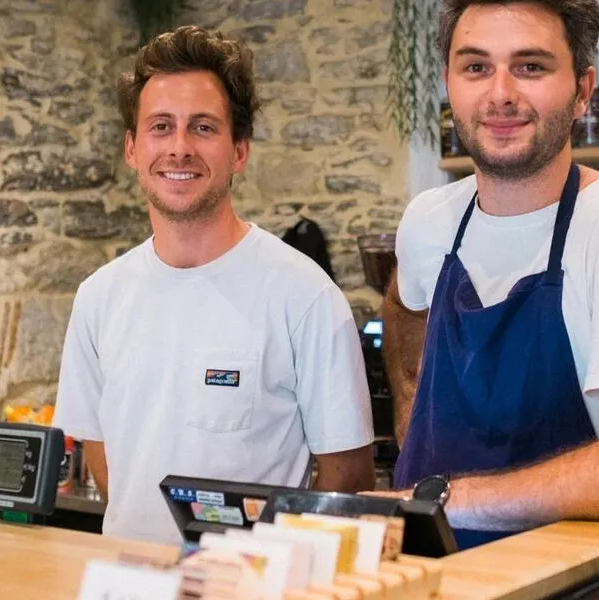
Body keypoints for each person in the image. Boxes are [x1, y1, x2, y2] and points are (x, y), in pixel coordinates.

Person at [380, 0, 599, 550]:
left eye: (530, 66)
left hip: (566, 580)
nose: (500, 93)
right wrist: (409, 416)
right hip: (424, 572)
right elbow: (401, 307)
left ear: (582, 90)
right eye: (476, 67)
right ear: (448, 83)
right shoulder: (429, 222)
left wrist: (439, 498)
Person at [52, 25, 375, 546]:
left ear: (239, 151)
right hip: (130, 582)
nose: (179, 149)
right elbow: (102, 452)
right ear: (132, 149)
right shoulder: (99, 297)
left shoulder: (304, 296)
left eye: (203, 128)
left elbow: (348, 480)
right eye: (161, 127)